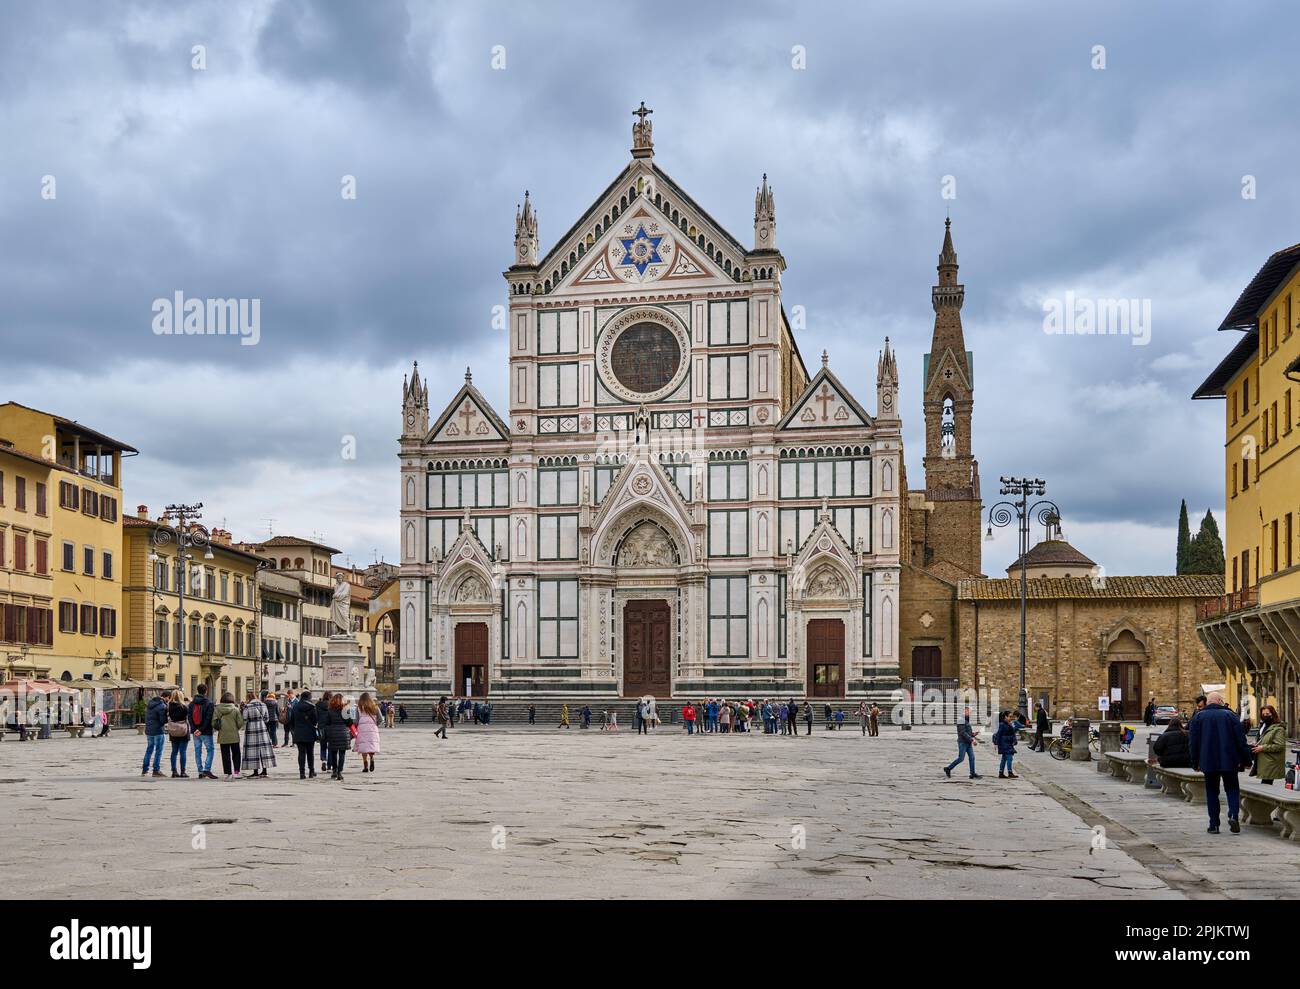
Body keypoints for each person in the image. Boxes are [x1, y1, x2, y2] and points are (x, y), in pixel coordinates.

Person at [1187, 691, 1253, 834]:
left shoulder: (1198, 717)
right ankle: (1234, 815)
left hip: (1207, 761)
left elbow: (1193, 743)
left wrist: (1195, 762)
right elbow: (1241, 741)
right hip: (1230, 760)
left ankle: (1214, 824)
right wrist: (1246, 760)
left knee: (1212, 791)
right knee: (1232, 788)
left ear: (1208, 702)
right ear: (1220, 701)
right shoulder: (1230, 716)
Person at [241, 691, 277, 778]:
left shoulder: (247, 706)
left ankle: (255, 772)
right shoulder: (263, 705)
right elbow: (267, 718)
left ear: (249, 698)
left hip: (251, 728)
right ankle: (264, 771)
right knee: (263, 749)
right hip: (262, 728)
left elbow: (244, 718)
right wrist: (261, 722)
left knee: (253, 750)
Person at [212, 692, 245, 780]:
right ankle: (237, 772)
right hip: (234, 735)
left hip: (223, 736)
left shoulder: (217, 709)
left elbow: (214, 723)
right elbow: (240, 723)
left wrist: (219, 728)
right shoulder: (235, 709)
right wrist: (235, 728)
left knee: (225, 755)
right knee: (236, 754)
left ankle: (228, 773)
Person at [322, 693, 355, 780]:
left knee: (333, 753)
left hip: (333, 733)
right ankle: (340, 772)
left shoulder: (330, 710)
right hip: (343, 733)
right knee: (342, 754)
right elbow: (350, 723)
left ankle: (334, 771)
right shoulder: (345, 710)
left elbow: (327, 723)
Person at [943, 706, 981, 779]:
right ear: (966, 710)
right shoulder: (961, 720)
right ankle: (948, 768)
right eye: (970, 712)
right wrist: (972, 740)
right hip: (963, 743)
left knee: (972, 757)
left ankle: (972, 773)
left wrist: (973, 734)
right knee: (961, 758)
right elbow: (962, 733)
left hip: (968, 742)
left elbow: (967, 732)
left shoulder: (966, 719)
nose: (970, 714)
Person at [189, 683, 217, 780]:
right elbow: (209, 719)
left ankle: (200, 771)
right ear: (206, 691)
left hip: (195, 731)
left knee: (198, 751)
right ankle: (207, 769)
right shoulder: (209, 703)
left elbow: (189, 718)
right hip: (206, 731)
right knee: (210, 750)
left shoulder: (192, 703)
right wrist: (201, 729)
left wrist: (195, 729)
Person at [288, 689, 318, 779]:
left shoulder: (295, 707)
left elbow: (291, 720)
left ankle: (302, 772)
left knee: (301, 753)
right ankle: (311, 771)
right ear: (309, 697)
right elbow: (315, 720)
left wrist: (294, 729)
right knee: (310, 753)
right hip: (310, 732)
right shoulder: (312, 707)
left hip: (299, 732)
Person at [1253, 704, 1286, 785]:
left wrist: (1263, 748)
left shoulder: (1278, 729)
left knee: (1266, 784)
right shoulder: (1263, 726)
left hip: (1271, 762)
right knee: (1265, 785)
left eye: (1267, 714)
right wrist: (1256, 743)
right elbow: (1262, 738)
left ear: (1273, 714)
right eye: (1263, 714)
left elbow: (1280, 746)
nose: (1265, 716)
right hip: (1264, 761)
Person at [166, 690, 192, 779]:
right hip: (183, 730)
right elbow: (188, 716)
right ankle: (183, 771)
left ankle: (174, 771)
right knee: (183, 752)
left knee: (174, 752)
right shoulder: (184, 707)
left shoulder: (169, 707)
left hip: (173, 730)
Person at [354, 692, 382, 773]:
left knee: (364, 747)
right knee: (371, 745)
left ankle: (365, 765)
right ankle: (372, 757)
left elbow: (355, 721)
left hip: (362, 729)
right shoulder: (375, 707)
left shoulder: (359, 708)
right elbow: (380, 719)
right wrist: (375, 724)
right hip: (372, 729)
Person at [992, 710, 1018, 779]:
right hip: (1004, 743)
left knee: (1004, 759)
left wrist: (1014, 740)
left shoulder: (1009, 724)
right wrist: (996, 743)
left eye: (1011, 717)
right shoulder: (1002, 725)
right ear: (1005, 717)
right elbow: (998, 734)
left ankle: (1001, 773)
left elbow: (1013, 733)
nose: (1011, 718)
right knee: (1009, 758)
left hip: (1008, 743)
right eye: (1009, 716)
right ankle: (1010, 772)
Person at [316, 691, 333, 774]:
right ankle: (329, 766)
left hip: (321, 727)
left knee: (323, 745)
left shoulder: (318, 704)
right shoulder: (333, 705)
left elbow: (315, 717)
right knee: (330, 747)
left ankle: (323, 761)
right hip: (330, 727)